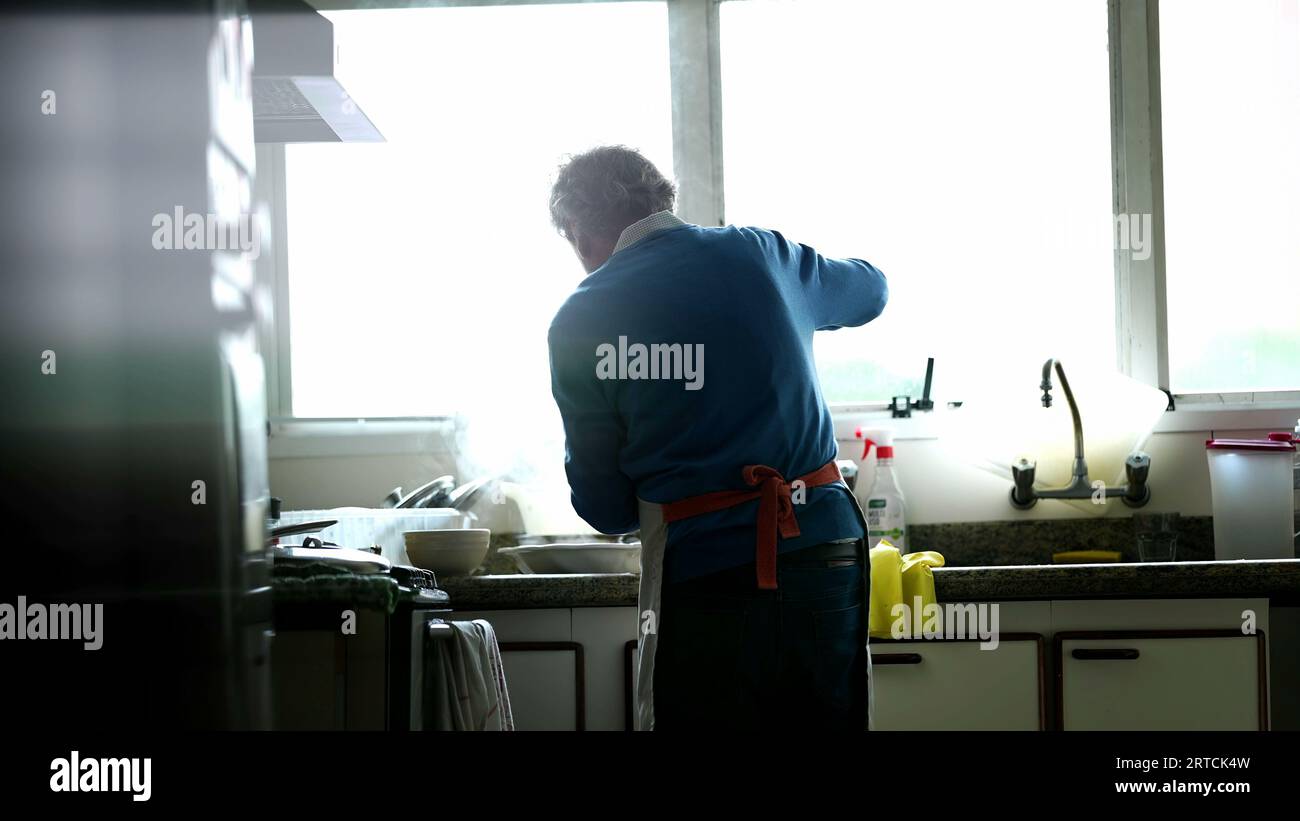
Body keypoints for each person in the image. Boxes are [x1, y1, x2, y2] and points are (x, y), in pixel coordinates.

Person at [546, 145, 888, 730]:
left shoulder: (581, 318)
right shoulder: (760, 252)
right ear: (663, 200)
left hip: (706, 576)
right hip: (824, 554)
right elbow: (871, 291)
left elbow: (604, 508)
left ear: (577, 233)